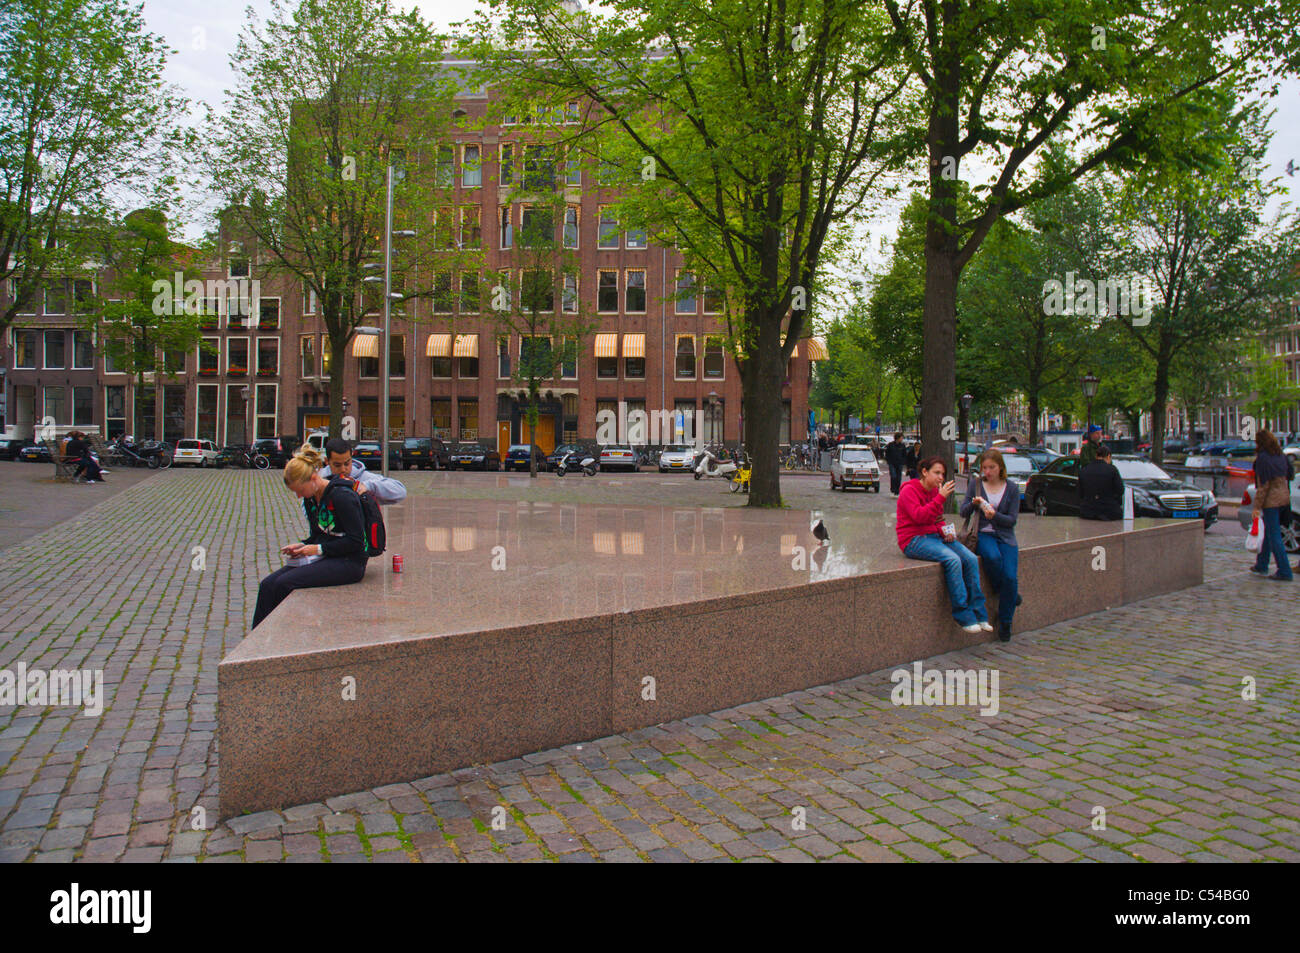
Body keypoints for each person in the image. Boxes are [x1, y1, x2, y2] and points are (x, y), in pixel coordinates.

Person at [252, 445, 370, 629]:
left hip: (351, 562)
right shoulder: (311, 499)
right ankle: (257, 638)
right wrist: (302, 546)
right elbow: (317, 535)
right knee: (267, 585)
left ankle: (279, 632)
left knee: (284, 584)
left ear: (314, 478)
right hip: (328, 556)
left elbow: (357, 542)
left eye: (300, 490)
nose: (298, 495)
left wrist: (316, 549)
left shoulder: (342, 497)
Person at [897, 456, 991, 634]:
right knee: (953, 559)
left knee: (970, 559)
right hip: (913, 539)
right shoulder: (909, 491)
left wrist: (946, 532)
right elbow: (919, 516)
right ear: (924, 472)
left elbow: (938, 518)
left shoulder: (935, 491)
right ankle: (963, 615)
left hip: (934, 536)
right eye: (937, 473)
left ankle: (979, 612)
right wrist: (940, 498)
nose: (940, 477)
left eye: (943, 474)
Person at [961, 449, 1021, 641]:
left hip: (1005, 536)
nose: (987, 472)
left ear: (1000, 467)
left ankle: (1005, 621)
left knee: (1010, 576)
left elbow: (1011, 520)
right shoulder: (976, 485)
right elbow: (963, 512)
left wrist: (995, 515)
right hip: (983, 534)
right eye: (985, 468)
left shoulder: (1012, 488)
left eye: (992, 467)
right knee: (992, 557)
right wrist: (974, 504)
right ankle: (1009, 594)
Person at [1249, 429, 1293, 581]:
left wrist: (1256, 507)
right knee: (1269, 532)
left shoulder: (1263, 458)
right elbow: (1290, 474)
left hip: (1271, 501)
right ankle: (1261, 564)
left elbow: (1263, 486)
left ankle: (1284, 571)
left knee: (1274, 536)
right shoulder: (1281, 455)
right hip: (1284, 498)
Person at [320, 437, 407, 504]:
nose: (343, 469)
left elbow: (400, 492)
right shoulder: (319, 479)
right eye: (337, 465)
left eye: (347, 463)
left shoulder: (363, 477)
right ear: (327, 461)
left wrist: (368, 486)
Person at [1079, 443, 1124, 520]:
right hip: (1109, 512)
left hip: (1088, 511)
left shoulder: (1084, 470)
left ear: (1096, 456)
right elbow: (1120, 490)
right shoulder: (1112, 470)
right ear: (1108, 456)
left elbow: (1080, 493)